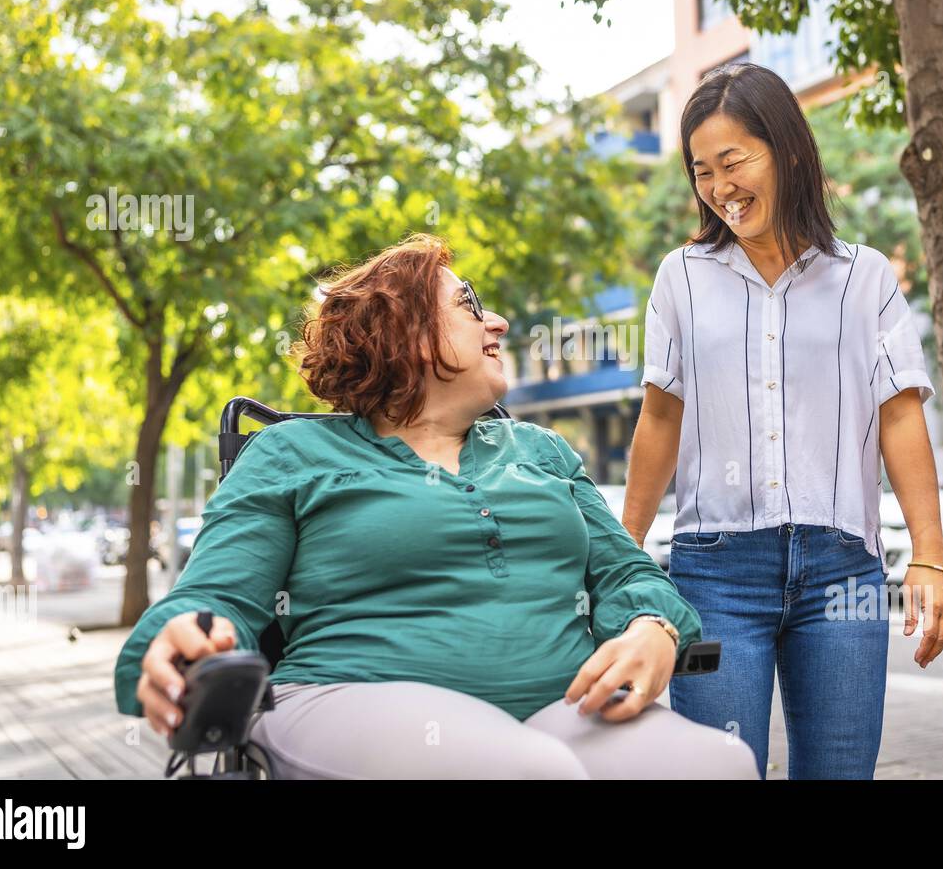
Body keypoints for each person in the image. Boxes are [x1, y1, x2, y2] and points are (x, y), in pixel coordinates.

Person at [113, 232, 757, 780]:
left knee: (718, 762)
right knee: (530, 770)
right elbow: (213, 598)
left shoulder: (542, 451)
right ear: (404, 331)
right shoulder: (292, 454)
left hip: (558, 706)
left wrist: (653, 626)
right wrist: (180, 641)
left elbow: (627, 574)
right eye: (470, 305)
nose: (498, 323)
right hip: (346, 697)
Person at [623, 62, 943, 780]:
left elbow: (900, 417)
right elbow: (660, 418)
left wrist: (928, 553)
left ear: (790, 151)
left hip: (843, 574)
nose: (718, 187)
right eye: (701, 170)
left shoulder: (864, 279)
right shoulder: (680, 277)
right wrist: (622, 553)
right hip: (714, 574)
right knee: (719, 770)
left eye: (733, 161)